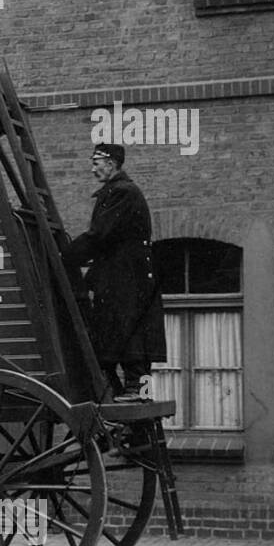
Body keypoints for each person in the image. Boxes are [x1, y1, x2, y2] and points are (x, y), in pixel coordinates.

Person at [62, 143, 167, 402]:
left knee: (127, 326)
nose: (93, 168)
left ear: (110, 164)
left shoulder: (121, 192)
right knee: (125, 327)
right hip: (126, 275)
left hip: (125, 277)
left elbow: (99, 235)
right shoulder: (121, 192)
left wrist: (64, 256)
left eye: (96, 163)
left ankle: (135, 390)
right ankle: (133, 390)